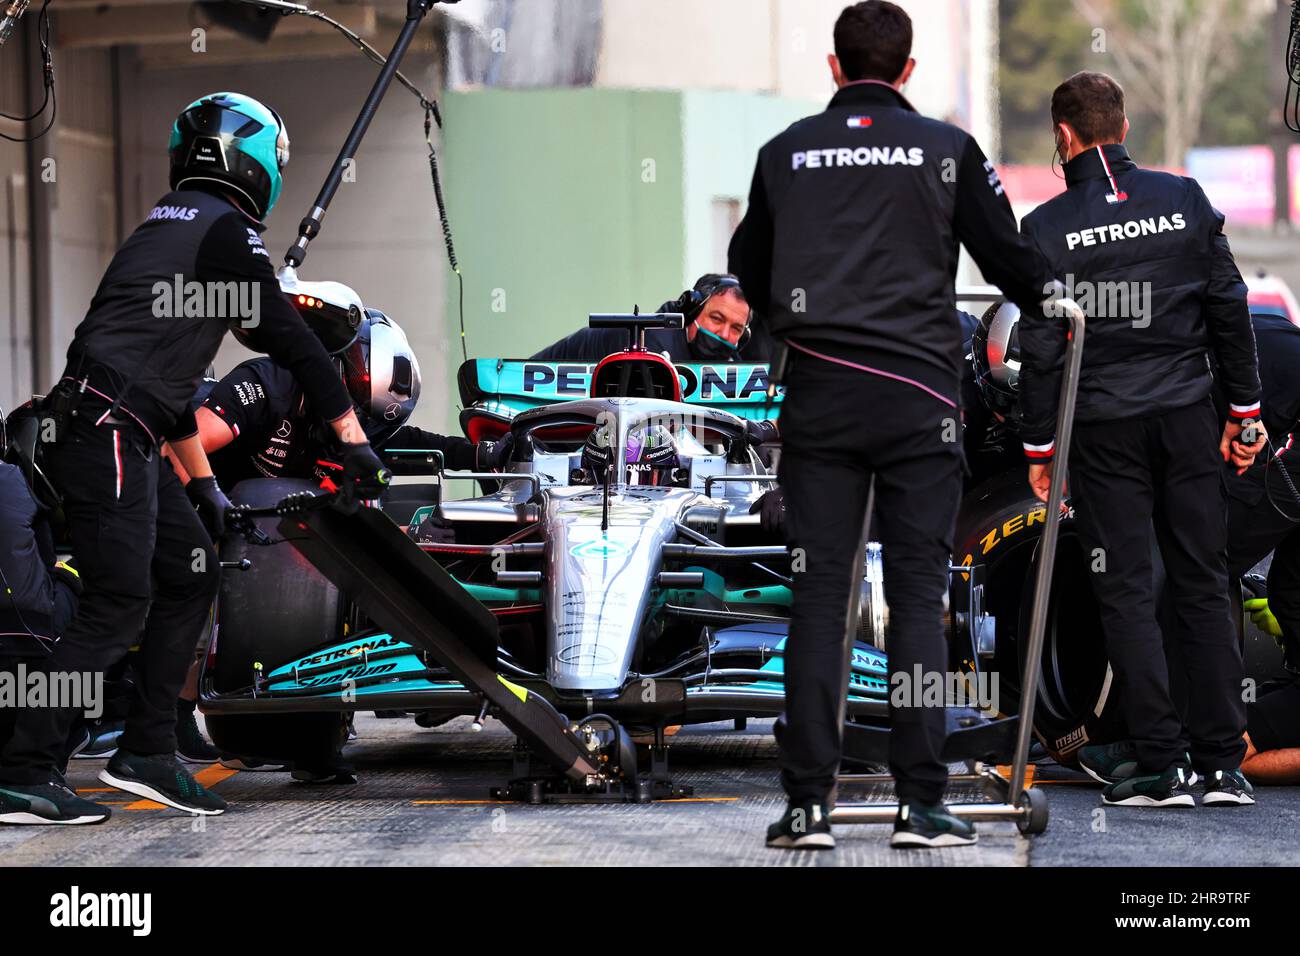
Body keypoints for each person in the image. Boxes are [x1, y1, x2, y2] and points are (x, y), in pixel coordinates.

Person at [0, 92, 390, 825]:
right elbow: (294, 342)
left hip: (116, 425)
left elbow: (167, 383)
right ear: (249, 162)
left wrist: (206, 485)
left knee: (191, 570)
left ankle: (148, 752)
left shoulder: (168, 228)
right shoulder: (227, 232)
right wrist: (354, 439)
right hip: (107, 430)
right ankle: (25, 771)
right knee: (118, 602)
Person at [728, 1, 1059, 850]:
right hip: (918, 401)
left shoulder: (787, 150)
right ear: (907, 69)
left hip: (820, 400)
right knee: (918, 601)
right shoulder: (946, 148)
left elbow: (748, 273)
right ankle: (922, 805)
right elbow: (1009, 257)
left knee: (820, 601)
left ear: (835, 67)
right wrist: (1054, 300)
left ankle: (807, 807)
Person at [1017, 72, 1266, 808]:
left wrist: (1039, 450)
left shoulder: (1046, 228)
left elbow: (1041, 351)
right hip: (1190, 417)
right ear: (1122, 129)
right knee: (1201, 579)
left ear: (1065, 137)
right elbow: (1230, 305)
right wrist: (1244, 411)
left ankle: (1161, 765)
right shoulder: (1184, 198)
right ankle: (1223, 763)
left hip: (1102, 431)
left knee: (1126, 590)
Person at [531, 274, 764, 364]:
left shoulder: (732, 364)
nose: (724, 334)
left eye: (736, 328)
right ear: (691, 312)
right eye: (716, 318)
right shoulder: (654, 345)